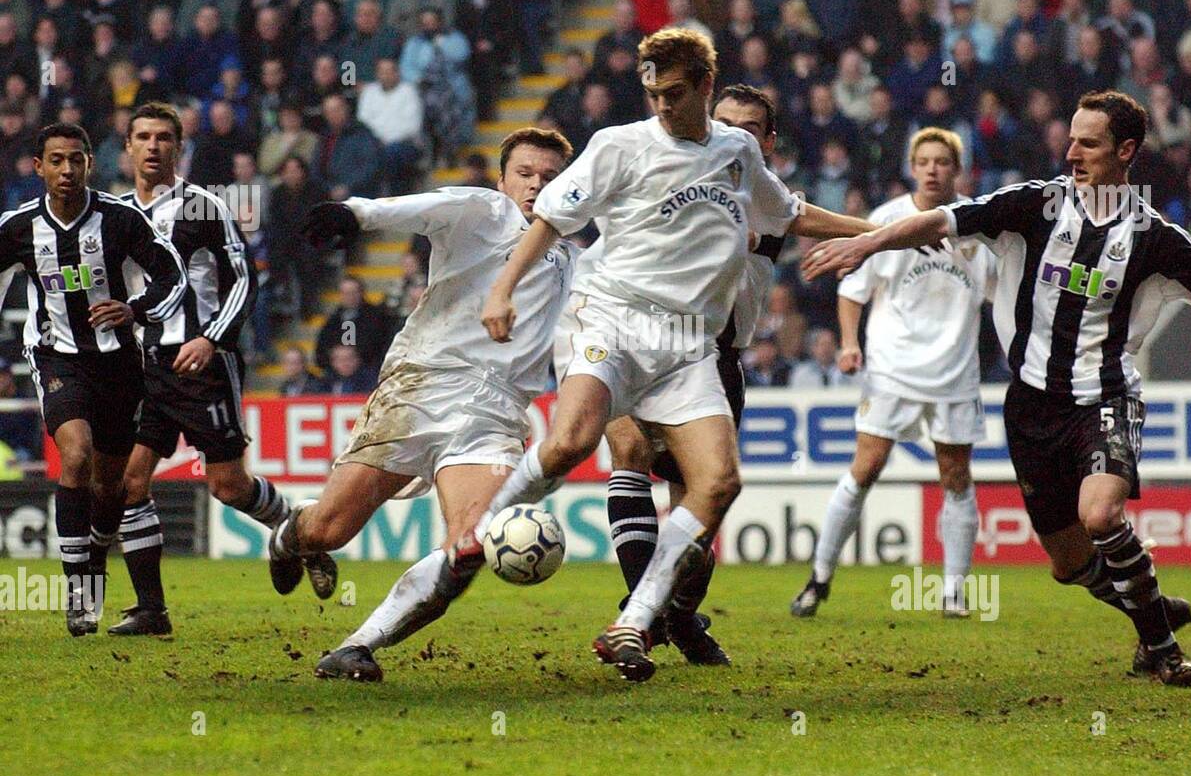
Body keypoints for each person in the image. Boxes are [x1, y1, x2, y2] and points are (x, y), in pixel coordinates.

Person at [803, 91, 1191, 686]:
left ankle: (1161, 650)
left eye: (1087, 143)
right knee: (1068, 565)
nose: (1071, 152)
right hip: (1032, 406)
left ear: (1126, 151)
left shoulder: (1156, 238)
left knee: (1101, 514)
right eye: (1069, 138)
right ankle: (1151, 608)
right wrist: (869, 241)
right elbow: (941, 220)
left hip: (1106, 398)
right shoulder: (1032, 206)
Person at [479, 37, 868, 682]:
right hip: (619, 327)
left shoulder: (744, 172)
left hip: (709, 353)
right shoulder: (625, 147)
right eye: (653, 94)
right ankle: (633, 614)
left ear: (763, 139)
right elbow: (554, 215)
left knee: (705, 499)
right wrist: (504, 290)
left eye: (675, 93)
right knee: (618, 450)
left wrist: (880, 237)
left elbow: (796, 214)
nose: (662, 106)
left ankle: (675, 612)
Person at [264, 128, 576, 683]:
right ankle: (291, 536)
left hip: (496, 413)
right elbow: (423, 207)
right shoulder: (482, 210)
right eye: (525, 174)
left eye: (551, 178)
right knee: (331, 530)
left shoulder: (574, 260)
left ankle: (358, 647)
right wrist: (354, 213)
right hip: (423, 385)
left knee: (471, 544)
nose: (536, 185)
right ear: (503, 180)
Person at [792, 128, 993, 619]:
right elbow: (852, 290)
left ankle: (952, 593)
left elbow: (1000, 296)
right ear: (911, 165)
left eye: (942, 161)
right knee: (867, 467)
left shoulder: (977, 225)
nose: (931, 169)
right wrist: (847, 343)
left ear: (957, 169)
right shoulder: (886, 220)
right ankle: (819, 579)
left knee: (956, 477)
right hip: (892, 367)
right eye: (923, 160)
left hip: (954, 371)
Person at [0, 122, 186, 635]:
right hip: (57, 358)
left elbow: (172, 274)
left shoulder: (120, 220)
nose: (67, 170)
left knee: (111, 485)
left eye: (76, 160)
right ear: (39, 167)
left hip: (118, 365)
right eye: (56, 160)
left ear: (89, 163)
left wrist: (136, 310)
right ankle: (80, 594)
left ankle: (98, 573)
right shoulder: (17, 228)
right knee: (75, 455)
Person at [109, 102, 287, 635]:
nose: (153, 146)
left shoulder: (205, 207)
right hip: (145, 366)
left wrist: (211, 339)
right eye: (143, 137)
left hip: (201, 364)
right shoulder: (114, 215)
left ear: (179, 148)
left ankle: (294, 531)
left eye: (164, 138)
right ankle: (151, 610)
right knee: (127, 481)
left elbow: (242, 280)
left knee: (227, 486)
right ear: (128, 148)